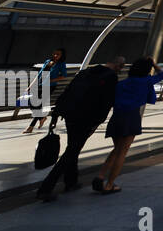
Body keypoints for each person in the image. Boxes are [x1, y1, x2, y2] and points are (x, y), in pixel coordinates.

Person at [36, 57, 124, 203]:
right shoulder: (111, 77)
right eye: (121, 67)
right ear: (119, 66)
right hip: (86, 119)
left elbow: (69, 90)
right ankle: (45, 189)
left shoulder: (86, 72)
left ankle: (71, 181)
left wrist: (57, 112)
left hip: (69, 115)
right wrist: (97, 122)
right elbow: (106, 101)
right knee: (72, 151)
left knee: (73, 148)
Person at [93, 57, 163, 194]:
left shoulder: (121, 84)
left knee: (116, 149)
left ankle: (100, 175)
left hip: (117, 117)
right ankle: (109, 185)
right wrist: (154, 64)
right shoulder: (145, 82)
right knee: (122, 152)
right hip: (131, 117)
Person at [24, 48, 67, 133]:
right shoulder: (48, 61)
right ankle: (42, 117)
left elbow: (63, 76)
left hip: (50, 87)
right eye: (55, 54)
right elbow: (39, 74)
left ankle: (31, 127)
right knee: (30, 102)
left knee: (39, 105)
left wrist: (52, 80)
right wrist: (30, 86)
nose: (55, 55)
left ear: (61, 56)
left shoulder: (61, 64)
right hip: (39, 85)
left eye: (58, 54)